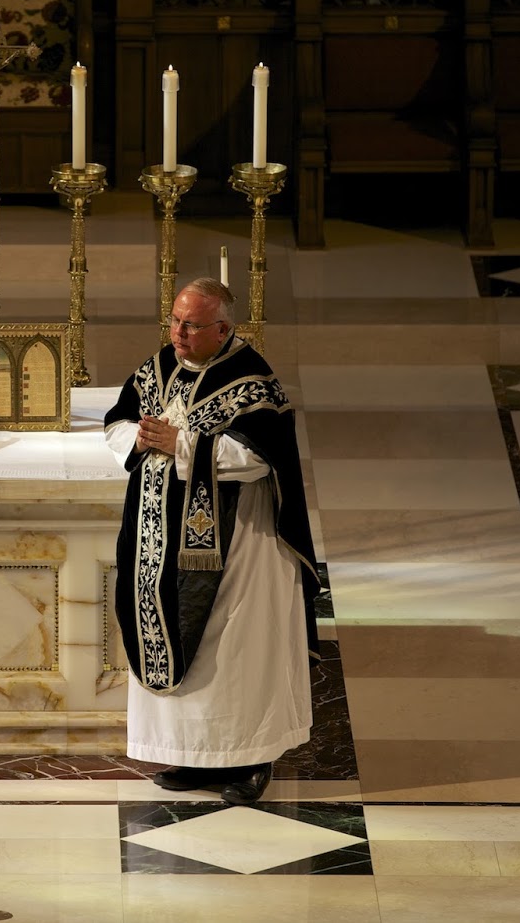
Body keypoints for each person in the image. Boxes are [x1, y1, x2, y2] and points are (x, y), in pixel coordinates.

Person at [104, 277, 319, 805]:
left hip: (242, 542)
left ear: (223, 328)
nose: (177, 333)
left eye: (191, 325)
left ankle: (251, 756)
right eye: (174, 320)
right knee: (187, 649)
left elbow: (260, 459)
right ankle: (191, 753)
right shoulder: (159, 369)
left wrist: (183, 444)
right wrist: (138, 436)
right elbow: (115, 424)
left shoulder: (251, 382)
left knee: (238, 650)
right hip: (159, 539)